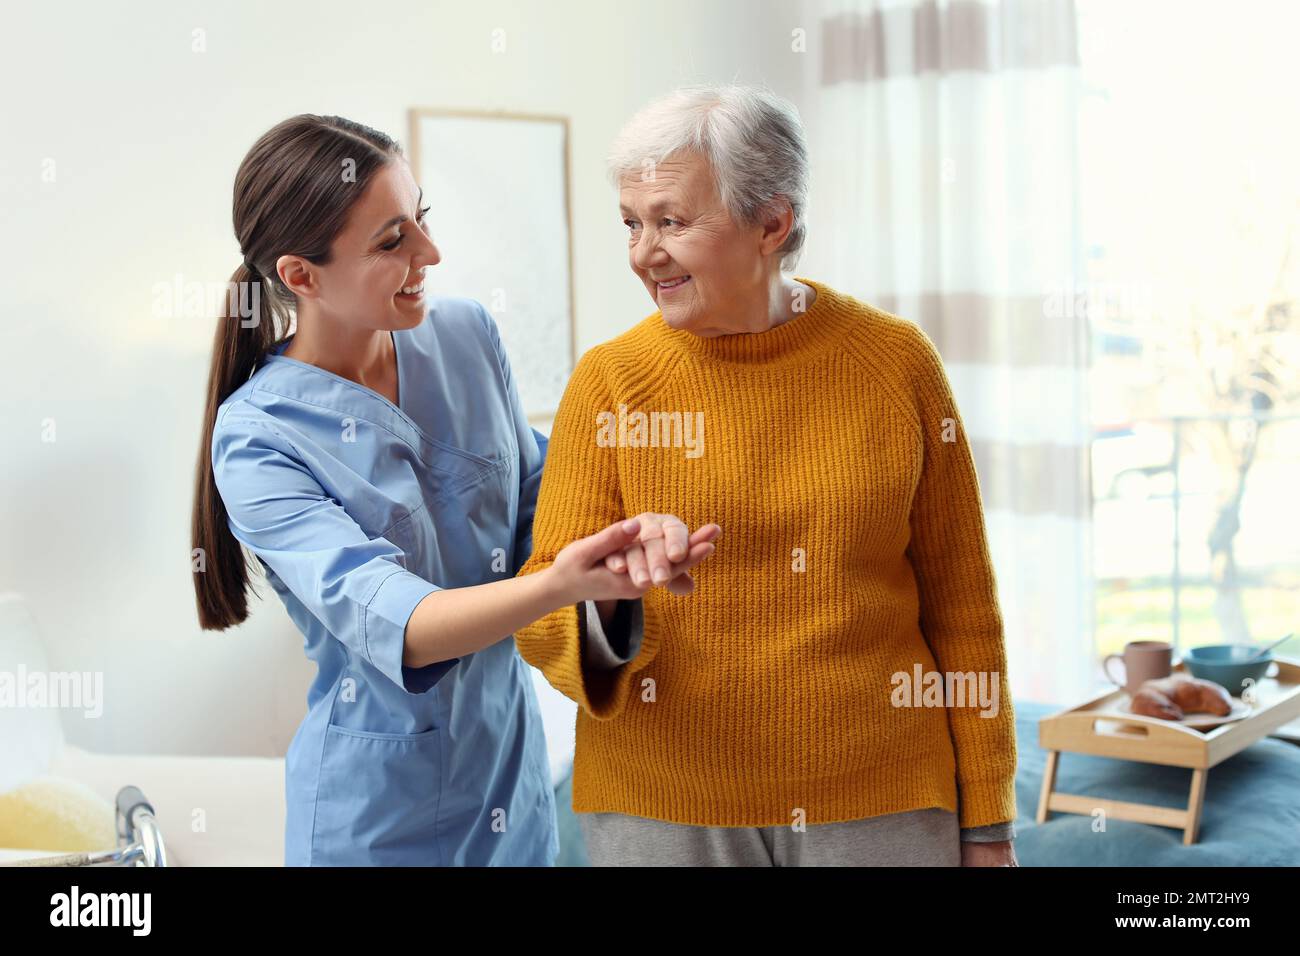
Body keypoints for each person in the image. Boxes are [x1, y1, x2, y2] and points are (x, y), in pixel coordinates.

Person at [189, 114, 718, 866]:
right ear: (301, 276)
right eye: (390, 241)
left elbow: (546, 505)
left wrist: (625, 546)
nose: (430, 253)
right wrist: (559, 584)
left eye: (421, 218)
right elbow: (399, 622)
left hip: (511, 785)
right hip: (377, 820)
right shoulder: (259, 438)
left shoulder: (465, 336)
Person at [514, 86, 1019, 866]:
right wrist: (614, 590)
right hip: (663, 809)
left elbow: (964, 607)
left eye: (672, 221)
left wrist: (988, 825)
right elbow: (542, 616)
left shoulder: (896, 363)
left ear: (772, 225)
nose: (643, 252)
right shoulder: (609, 381)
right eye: (632, 223)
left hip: (879, 799)